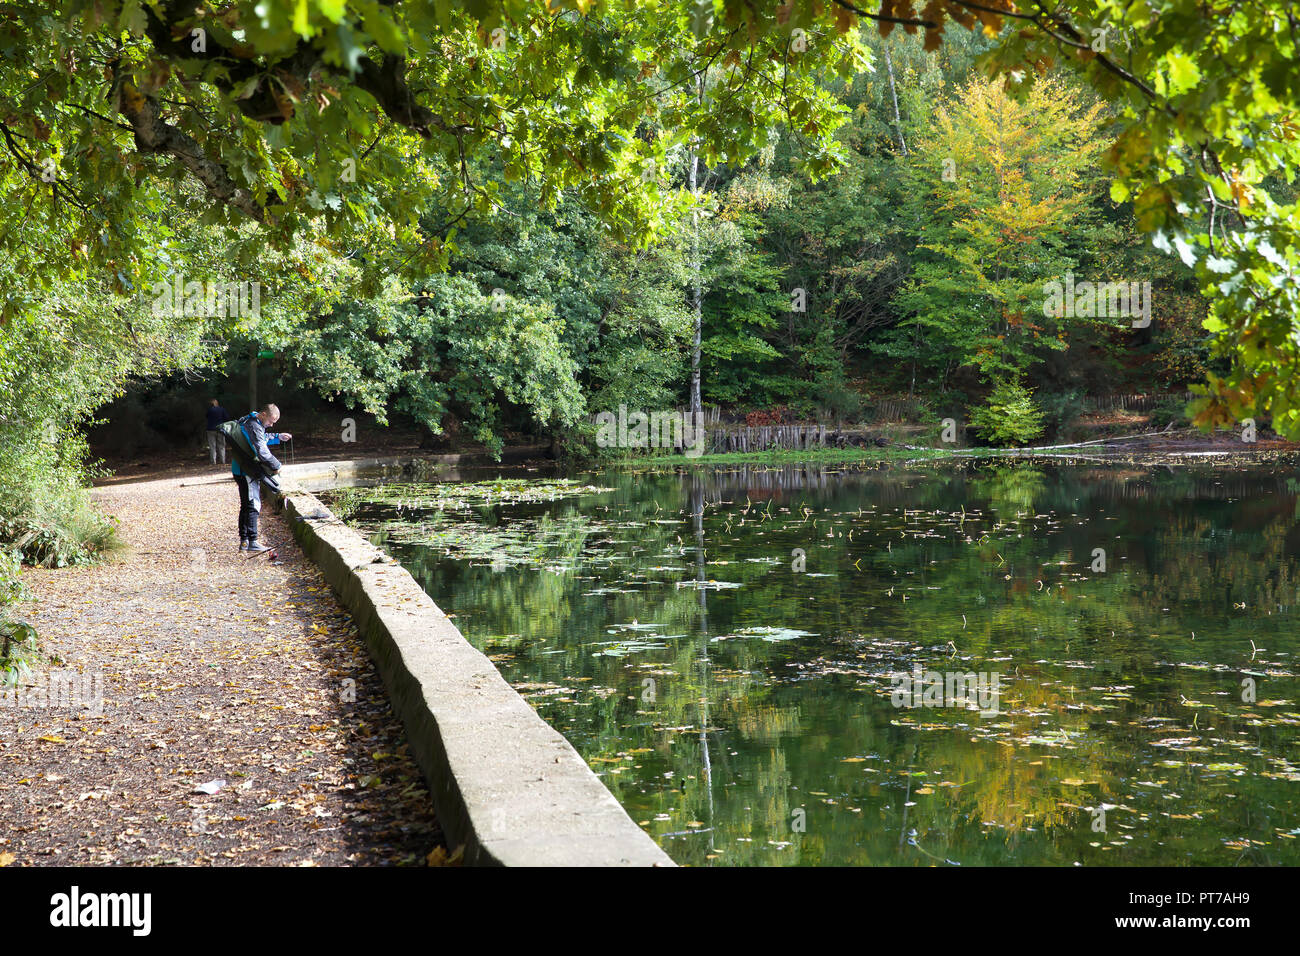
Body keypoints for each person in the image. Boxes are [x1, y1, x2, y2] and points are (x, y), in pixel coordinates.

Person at [231, 404, 292, 553]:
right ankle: (252, 541)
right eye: (271, 421)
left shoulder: (250, 421)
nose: (272, 425)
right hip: (246, 471)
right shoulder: (253, 425)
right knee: (253, 504)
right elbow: (262, 451)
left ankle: (244, 542)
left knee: (246, 505)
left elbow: (261, 438)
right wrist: (277, 466)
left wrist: (277, 437)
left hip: (240, 469)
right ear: (263, 414)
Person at [205, 398, 228, 465]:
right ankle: (223, 461)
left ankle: (213, 462)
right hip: (220, 429)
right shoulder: (222, 409)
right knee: (221, 446)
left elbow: (206, 417)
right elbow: (227, 418)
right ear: (217, 403)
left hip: (210, 430)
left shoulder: (209, 410)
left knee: (212, 446)